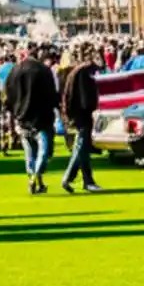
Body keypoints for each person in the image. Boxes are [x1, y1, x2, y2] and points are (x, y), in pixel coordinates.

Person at [5, 47, 60, 194]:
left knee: (29, 151)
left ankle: (33, 177)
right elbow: (52, 94)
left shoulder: (15, 71)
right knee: (44, 150)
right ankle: (36, 175)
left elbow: (9, 94)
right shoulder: (44, 71)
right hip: (42, 117)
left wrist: (13, 112)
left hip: (22, 117)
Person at [60, 46, 102, 192]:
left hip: (77, 114)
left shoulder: (76, 71)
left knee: (83, 148)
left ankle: (88, 180)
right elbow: (85, 98)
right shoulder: (84, 73)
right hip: (82, 115)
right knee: (81, 146)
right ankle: (68, 177)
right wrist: (92, 108)